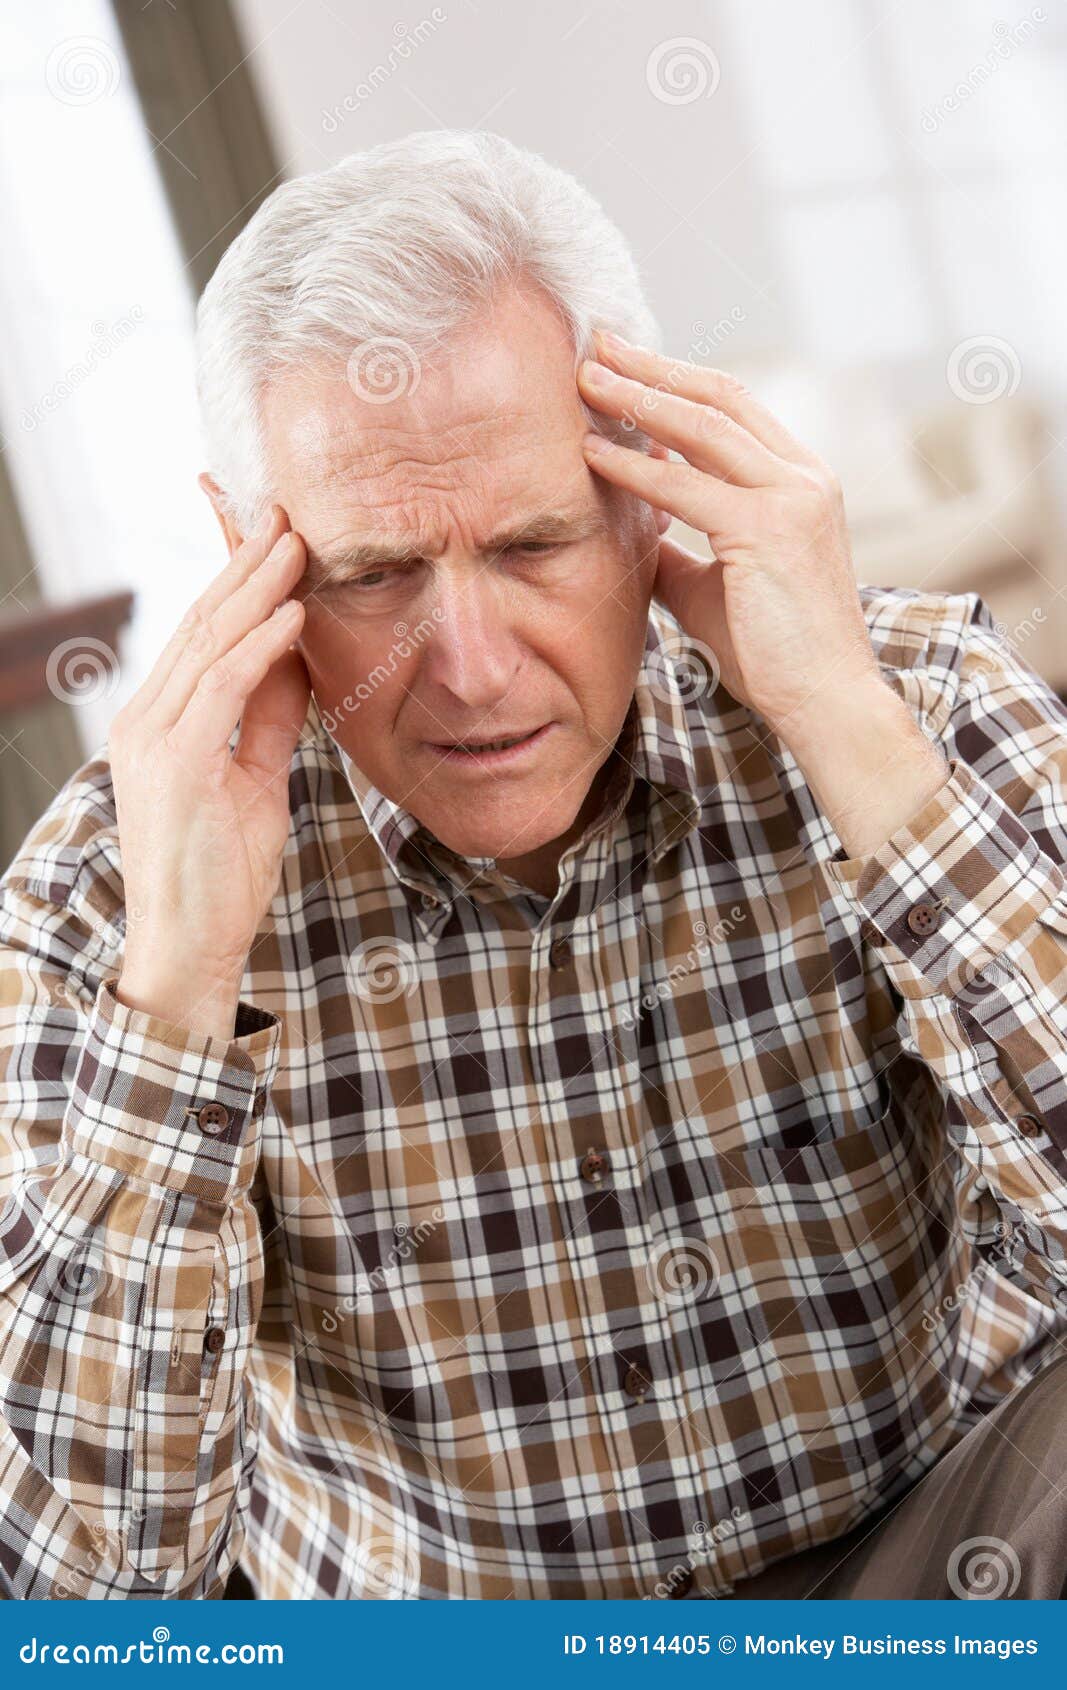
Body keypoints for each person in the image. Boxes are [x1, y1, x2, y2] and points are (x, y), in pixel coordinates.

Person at [1, 130, 1065, 1601]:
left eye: (536, 543)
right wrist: (177, 992)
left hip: (925, 1576)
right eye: (371, 573)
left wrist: (849, 737)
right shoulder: (111, 889)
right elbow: (84, 1586)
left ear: (648, 490)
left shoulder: (913, 702)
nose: (474, 669)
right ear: (249, 550)